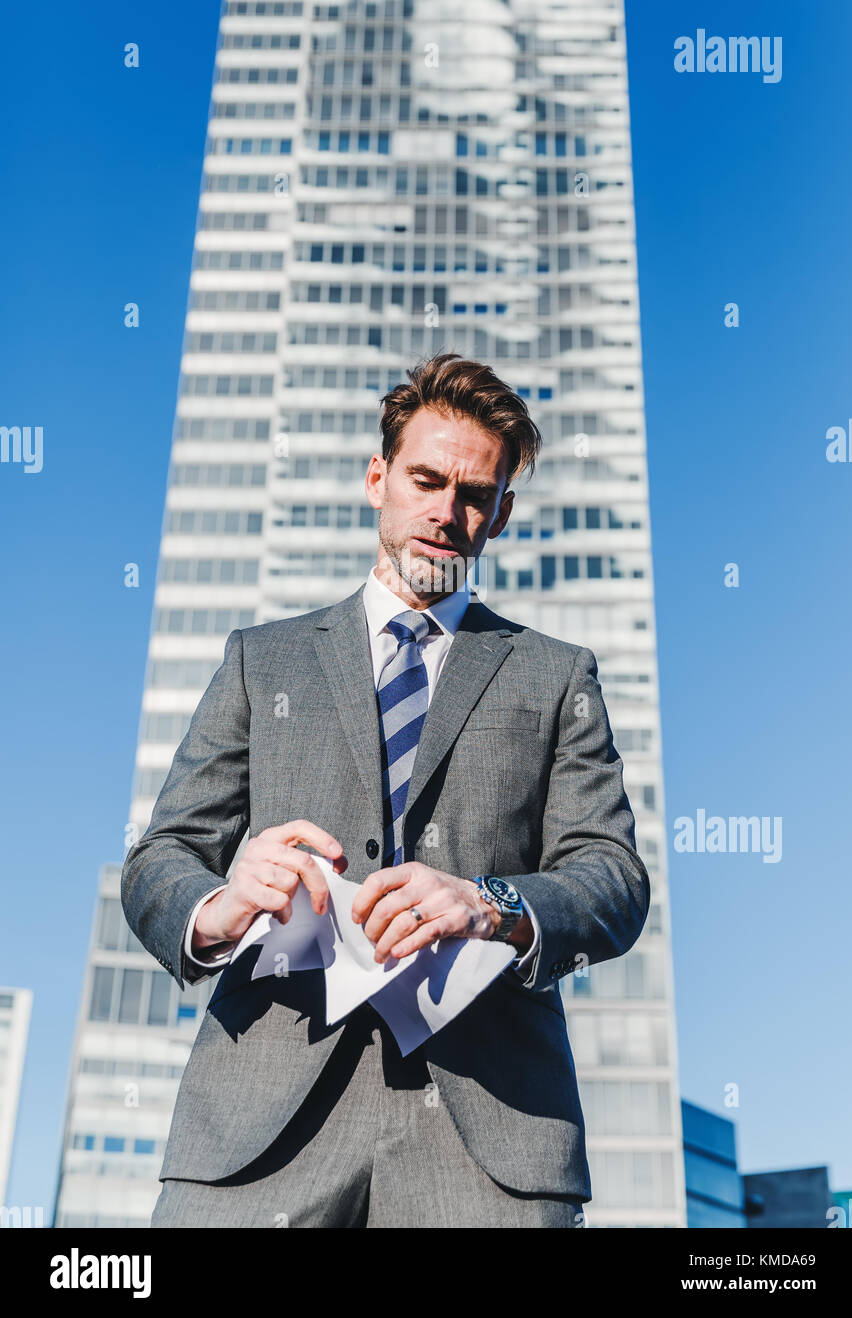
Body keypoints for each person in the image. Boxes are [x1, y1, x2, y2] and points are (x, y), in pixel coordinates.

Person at [121, 350, 650, 1228]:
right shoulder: (264, 659)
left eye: (475, 494)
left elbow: (614, 880)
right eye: (426, 479)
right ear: (379, 479)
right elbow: (159, 859)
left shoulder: (556, 677)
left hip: (489, 1140)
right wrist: (217, 905)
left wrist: (492, 904)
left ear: (503, 514)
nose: (447, 512)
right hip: (259, 1123)